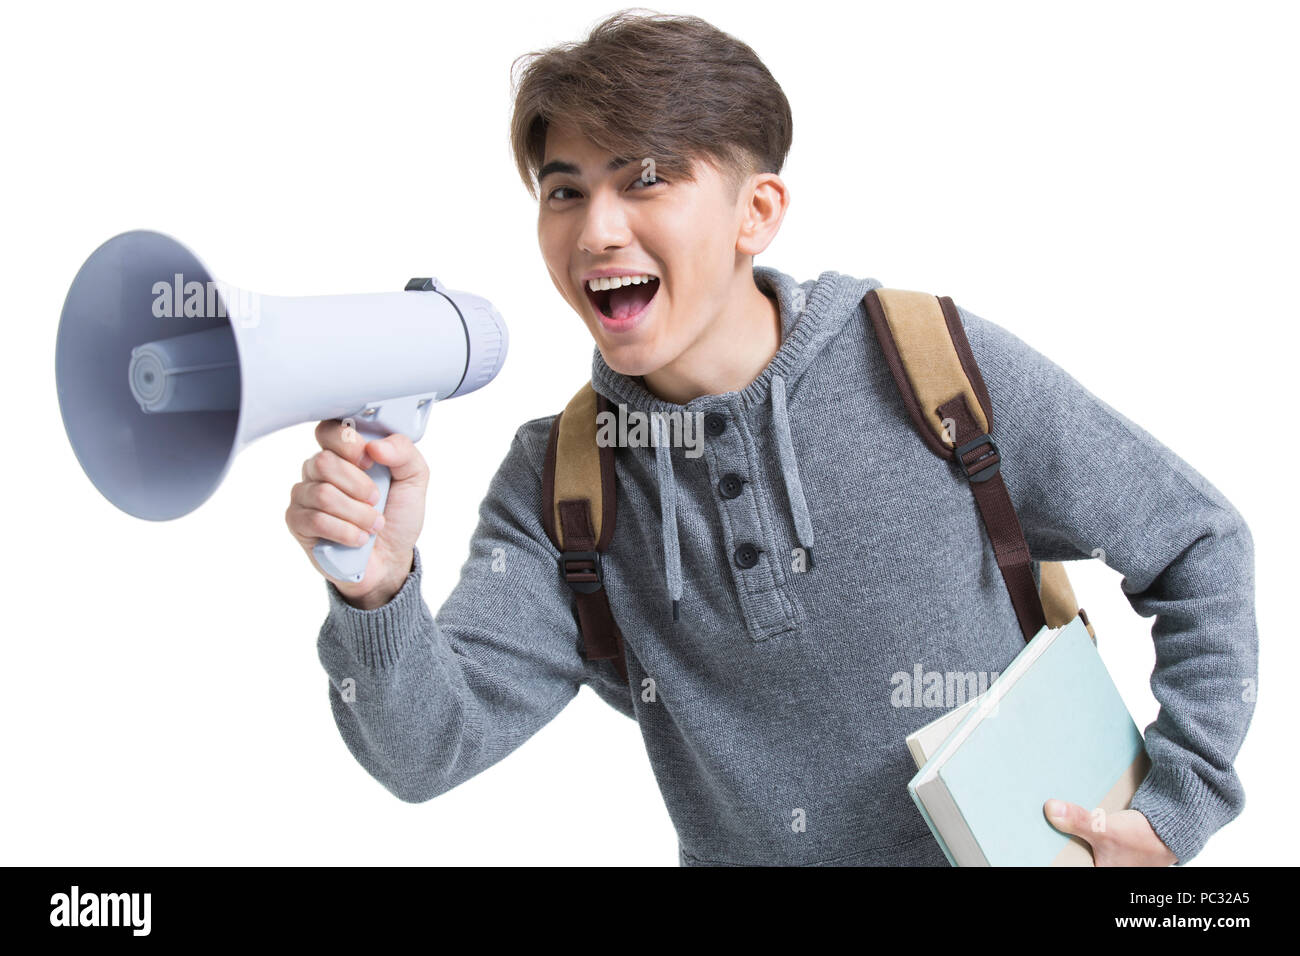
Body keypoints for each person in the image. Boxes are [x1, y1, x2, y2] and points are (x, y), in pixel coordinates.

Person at [284, 10, 1256, 866]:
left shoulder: (926, 362)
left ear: (757, 212)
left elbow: (1196, 540)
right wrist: (374, 588)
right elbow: (425, 750)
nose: (595, 230)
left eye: (646, 179)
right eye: (564, 188)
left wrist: (1177, 804)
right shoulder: (560, 482)